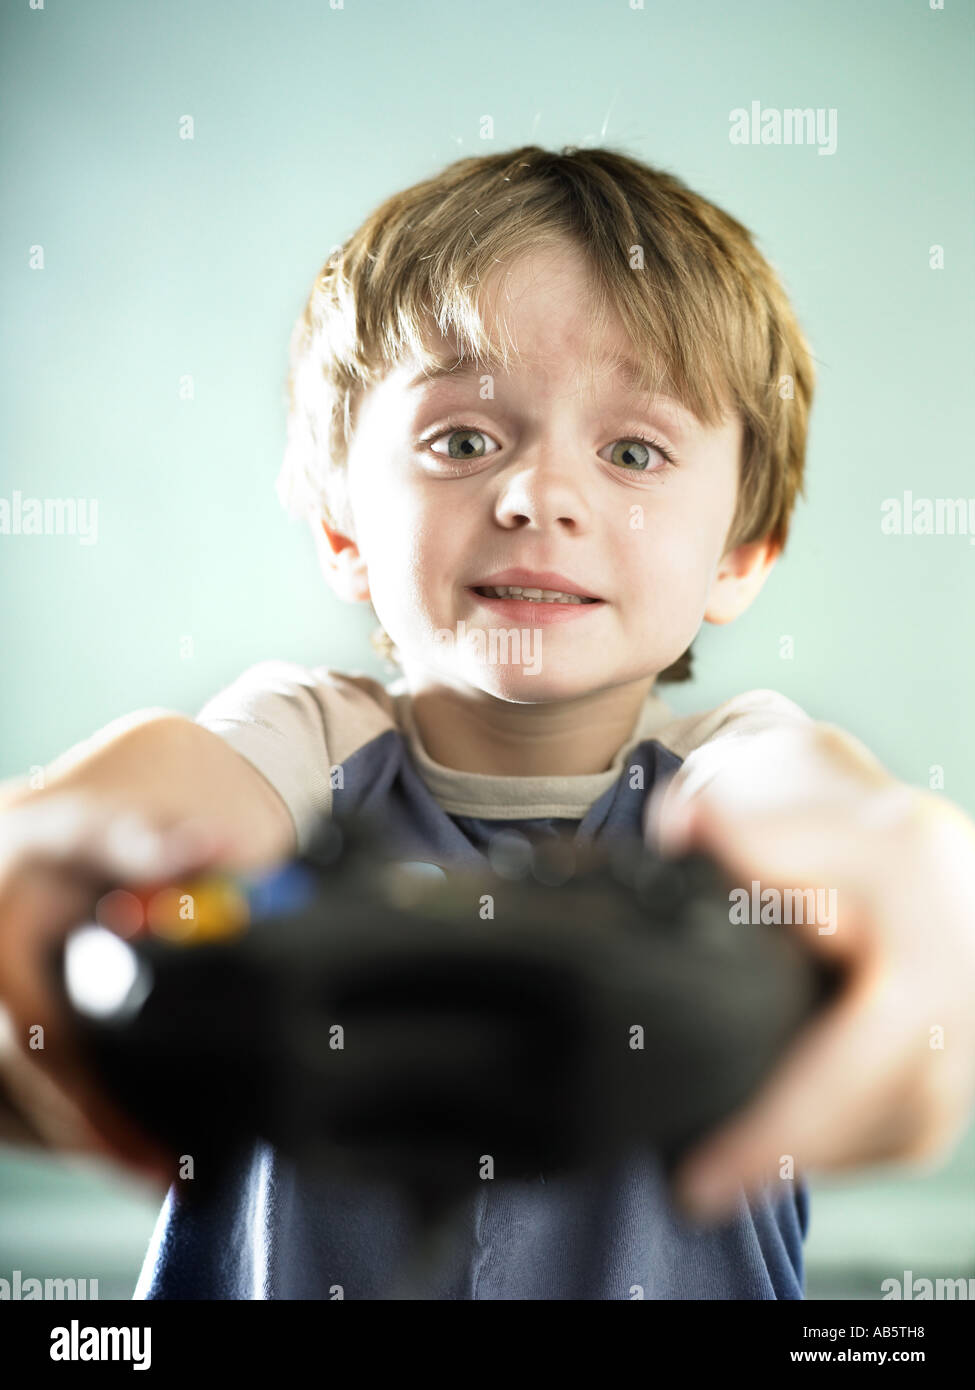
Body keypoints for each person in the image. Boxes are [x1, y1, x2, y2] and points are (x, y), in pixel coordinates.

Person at [1, 146, 973, 1299]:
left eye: (633, 452)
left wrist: (909, 855)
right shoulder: (303, 743)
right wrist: (47, 828)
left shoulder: (730, 772)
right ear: (342, 528)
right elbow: (166, 793)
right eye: (462, 440)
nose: (537, 495)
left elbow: (814, 806)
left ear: (741, 553)